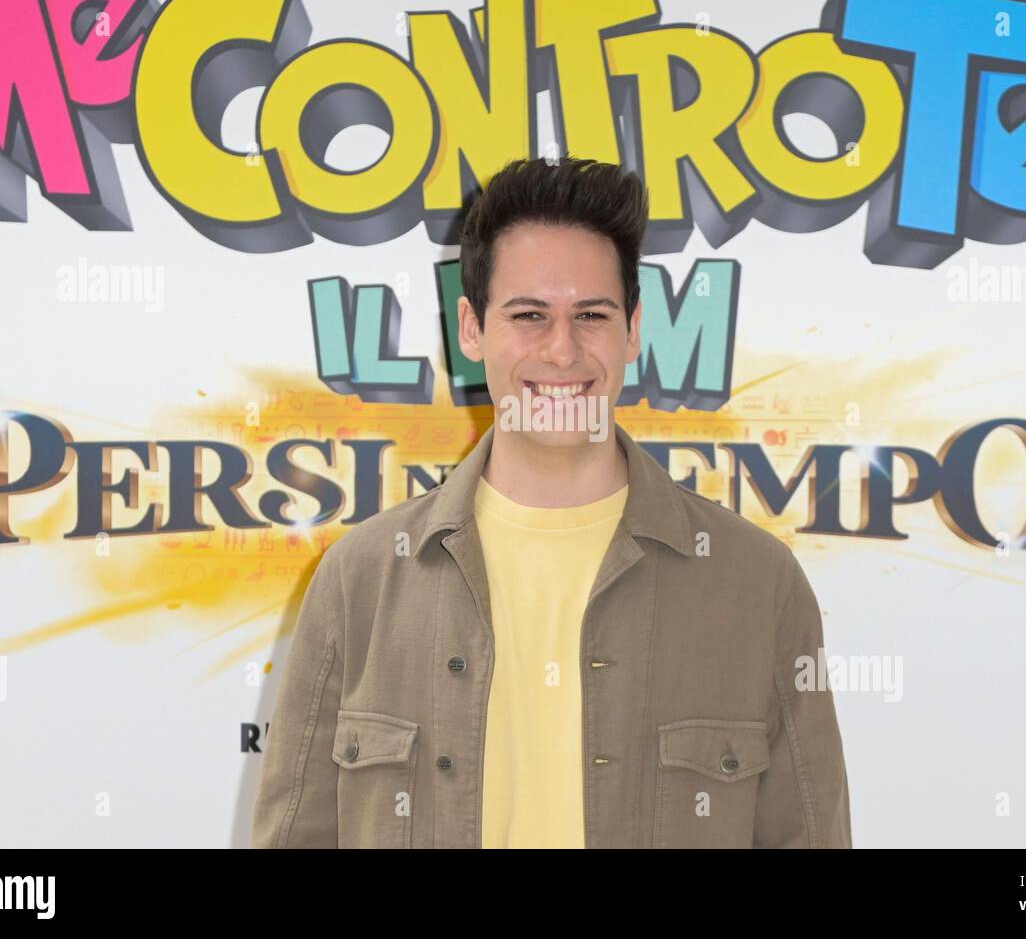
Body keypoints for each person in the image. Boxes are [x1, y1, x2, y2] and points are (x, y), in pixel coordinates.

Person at [250, 156, 851, 848]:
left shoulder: (756, 585)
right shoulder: (361, 581)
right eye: (529, 315)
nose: (562, 350)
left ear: (632, 330)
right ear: (471, 330)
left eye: (590, 315)